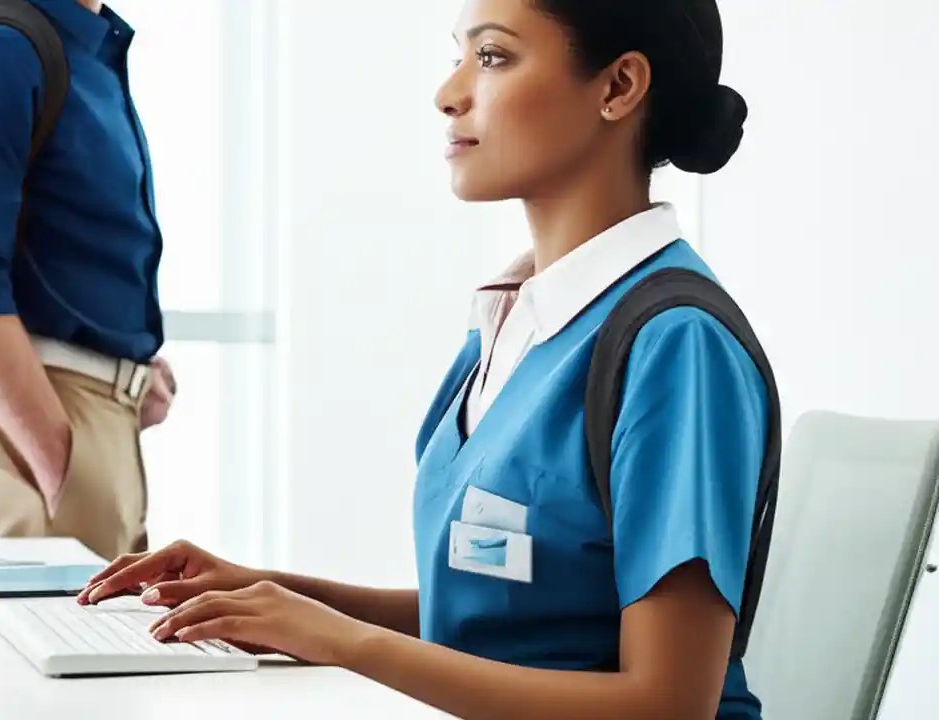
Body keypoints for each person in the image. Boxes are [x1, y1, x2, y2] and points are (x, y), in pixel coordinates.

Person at [82, 0, 765, 717]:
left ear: (619, 86)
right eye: (458, 55)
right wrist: (266, 597)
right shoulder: (515, 320)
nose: (450, 93)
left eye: (493, 57)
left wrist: (349, 645)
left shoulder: (675, 345)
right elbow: (499, 619)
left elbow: (667, 704)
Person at [0, 0, 175, 561]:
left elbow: (64, 242)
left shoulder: (88, 49)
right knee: (62, 646)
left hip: (97, 421)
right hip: (53, 418)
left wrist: (124, 364)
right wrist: (57, 456)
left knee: (114, 646)